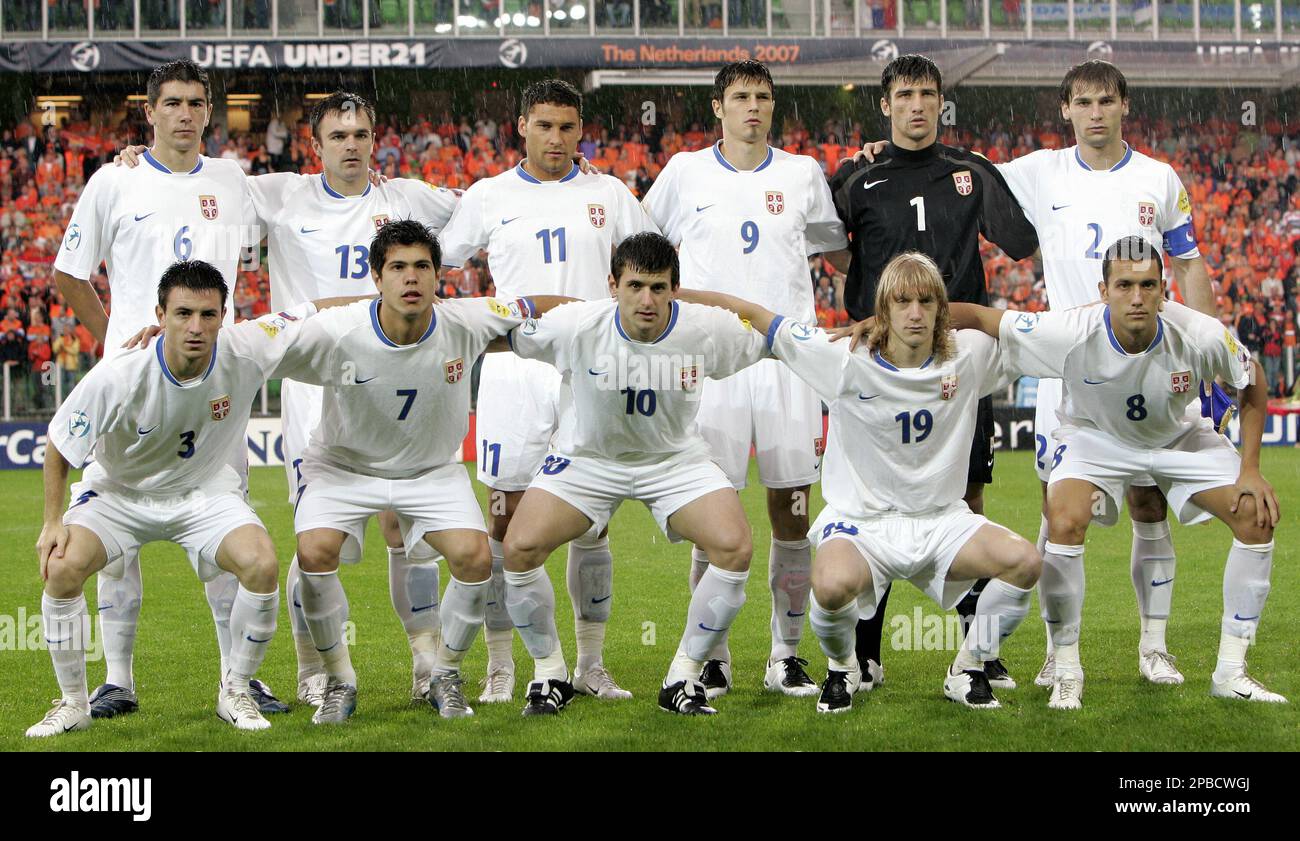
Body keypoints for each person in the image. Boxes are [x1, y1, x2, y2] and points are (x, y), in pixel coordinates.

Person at [679, 251, 1041, 712]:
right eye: (903, 301)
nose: (915, 313)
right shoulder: (844, 357)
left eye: (927, 302)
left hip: (941, 520)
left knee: (1025, 563)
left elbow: (1032, 331)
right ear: (882, 311)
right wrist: (675, 295)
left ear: (940, 311)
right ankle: (843, 667)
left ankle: (969, 666)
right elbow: (752, 313)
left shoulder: (969, 356)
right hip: (861, 523)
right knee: (828, 587)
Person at [950, 236, 1284, 708]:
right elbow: (981, 317)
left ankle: (1230, 670)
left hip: (1176, 437)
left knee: (1257, 515)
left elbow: (1252, 380)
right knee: (1063, 518)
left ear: (1163, 289)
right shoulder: (1068, 329)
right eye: (1124, 285)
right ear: (1103, 290)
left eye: (1148, 285)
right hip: (1094, 439)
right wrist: (885, 321)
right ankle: (1065, 665)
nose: (1136, 296)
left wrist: (1250, 468)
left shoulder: (1199, 333)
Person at [26, 260, 346, 738]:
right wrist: (53, 523)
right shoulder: (120, 373)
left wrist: (395, 304)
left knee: (260, 562)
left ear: (224, 316)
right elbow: (60, 444)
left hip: (201, 492)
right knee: (61, 567)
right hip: (119, 494)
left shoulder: (248, 345)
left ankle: (235, 689)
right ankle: (73, 702)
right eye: (182, 314)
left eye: (207, 315)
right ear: (160, 314)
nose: (196, 327)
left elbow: (316, 310)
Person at [51, 60, 278, 720]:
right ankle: (116, 678)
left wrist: (365, 182)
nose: (184, 113)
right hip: (131, 392)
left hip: (215, 390)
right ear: (148, 111)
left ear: (210, 112)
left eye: (196, 102)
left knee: (221, 535)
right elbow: (69, 275)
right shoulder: (113, 182)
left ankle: (237, 678)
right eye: (171, 102)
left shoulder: (233, 179)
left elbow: (300, 204)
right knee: (113, 534)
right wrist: (111, 341)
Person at [280, 220, 573, 723]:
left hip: (431, 472)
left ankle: (445, 673)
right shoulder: (338, 329)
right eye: (398, 267)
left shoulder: (466, 320)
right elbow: (250, 346)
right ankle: (338, 680)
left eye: (422, 267)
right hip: (345, 467)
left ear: (439, 277)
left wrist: (613, 316)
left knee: (475, 557)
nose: (410, 278)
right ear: (377, 277)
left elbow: (543, 305)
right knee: (314, 550)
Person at [439, 79, 658, 704]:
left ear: (580, 129)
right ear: (521, 127)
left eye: (567, 127)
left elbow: (656, 254)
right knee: (504, 525)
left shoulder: (609, 192)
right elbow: (437, 257)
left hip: (587, 376)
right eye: (544, 126)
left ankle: (589, 663)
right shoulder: (488, 196)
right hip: (513, 374)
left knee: (591, 525)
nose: (556, 139)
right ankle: (507, 665)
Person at [828, 54, 1038, 690]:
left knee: (964, 498)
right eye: (904, 94)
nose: (917, 105)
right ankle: (866, 652)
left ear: (940, 103)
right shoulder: (855, 178)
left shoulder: (969, 171)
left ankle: (978, 646)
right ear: (885, 105)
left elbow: (1023, 241)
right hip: (878, 370)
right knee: (873, 504)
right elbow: (830, 252)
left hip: (955, 365)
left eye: (927, 94)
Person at [642, 59, 849, 699]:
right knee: (714, 517)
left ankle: (785, 655)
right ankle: (713, 654)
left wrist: (865, 173)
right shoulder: (683, 172)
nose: (753, 107)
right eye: (740, 97)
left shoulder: (802, 173)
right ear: (718, 107)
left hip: (787, 363)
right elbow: (641, 252)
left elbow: (839, 251)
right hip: (711, 367)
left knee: (792, 513)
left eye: (762, 96)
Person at [501, 232, 768, 716]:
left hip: (673, 462)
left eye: (660, 288)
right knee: (518, 548)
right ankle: (550, 674)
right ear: (613, 285)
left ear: (676, 289)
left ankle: (682, 679)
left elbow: (775, 340)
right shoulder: (576, 324)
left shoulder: (706, 329)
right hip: (587, 461)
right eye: (635, 286)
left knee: (734, 546)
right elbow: (503, 334)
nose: (647, 300)